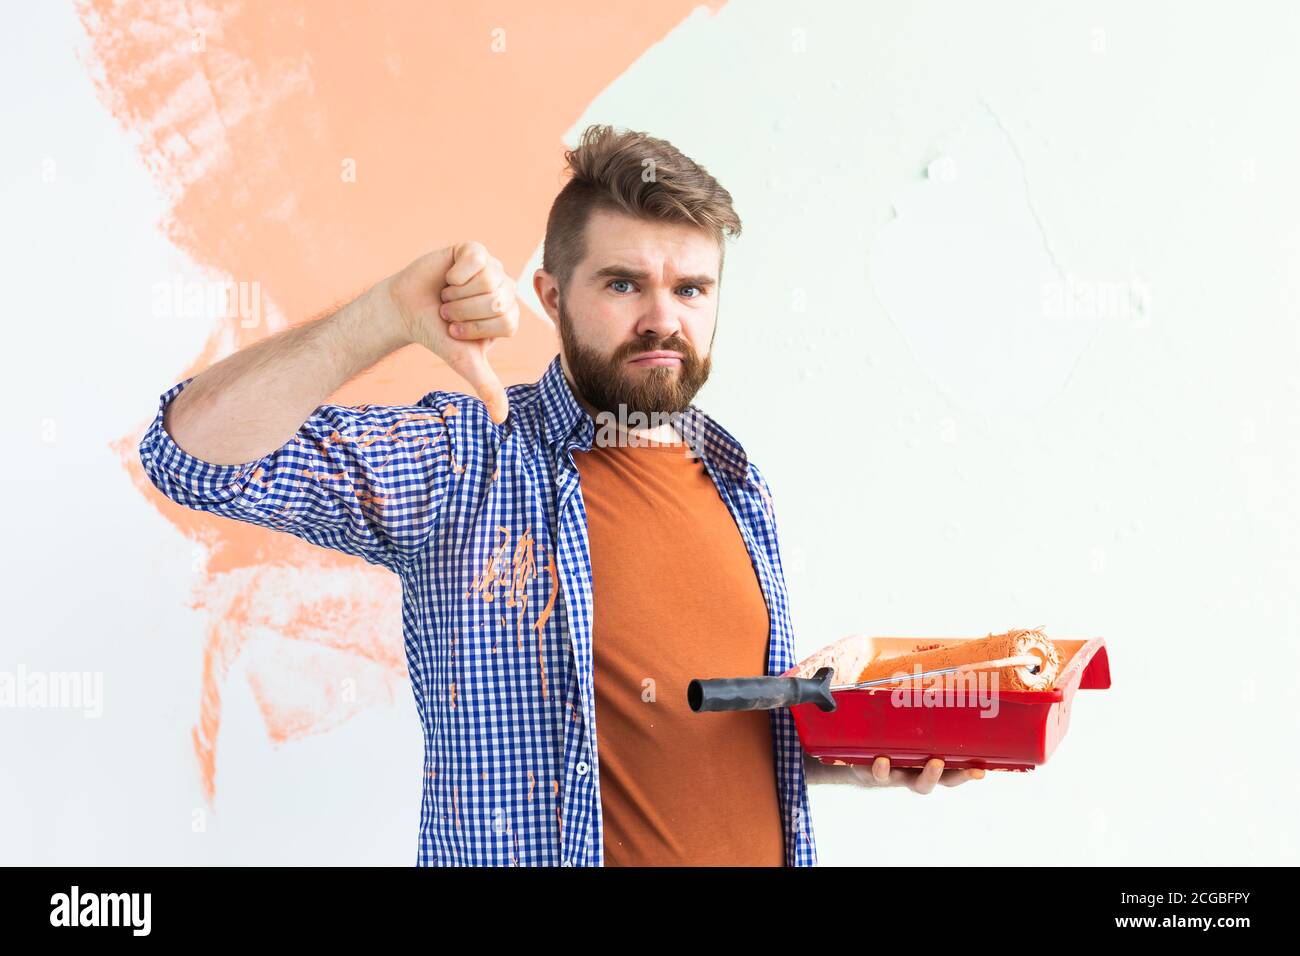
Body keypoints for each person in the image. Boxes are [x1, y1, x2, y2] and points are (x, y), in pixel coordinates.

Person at [139, 123, 981, 868]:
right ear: (551, 296)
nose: (663, 319)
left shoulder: (737, 482)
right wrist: (384, 317)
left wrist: (839, 745)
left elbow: (686, 745)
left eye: (691, 289)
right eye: (624, 285)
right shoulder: (466, 462)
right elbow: (191, 453)